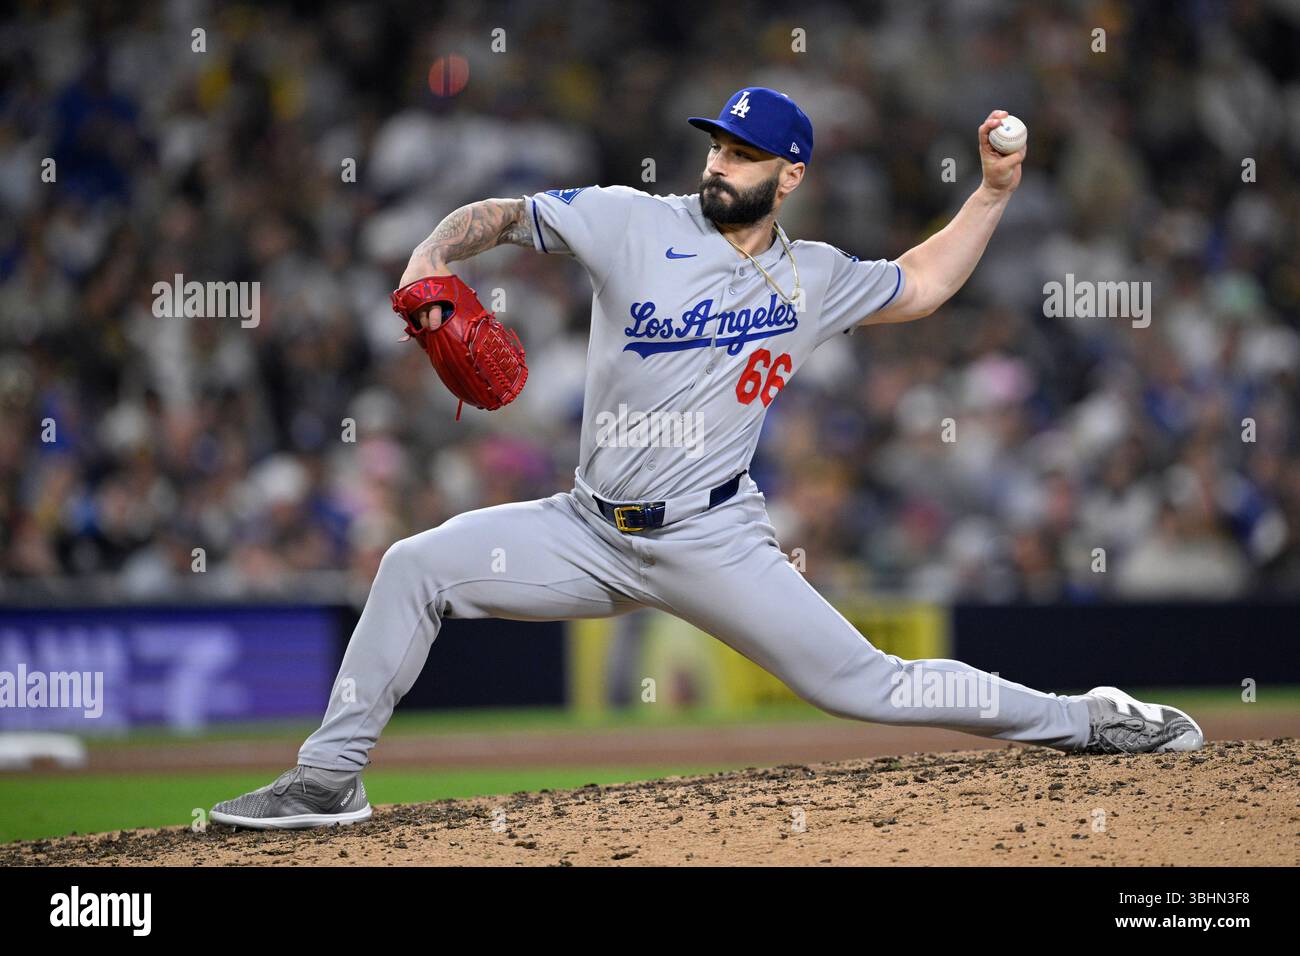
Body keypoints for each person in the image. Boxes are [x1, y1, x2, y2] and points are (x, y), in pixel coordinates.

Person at [210, 88, 1202, 830]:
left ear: (791, 175)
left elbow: (923, 282)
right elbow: (503, 216)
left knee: (869, 684)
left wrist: (990, 194)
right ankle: (326, 779)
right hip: (586, 527)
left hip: (715, 537)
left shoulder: (811, 277)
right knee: (412, 565)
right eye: (719, 143)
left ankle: (1086, 716)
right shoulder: (629, 218)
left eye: (746, 152)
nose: (722, 161)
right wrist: (431, 256)